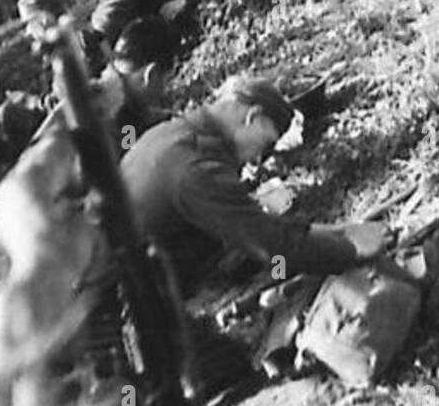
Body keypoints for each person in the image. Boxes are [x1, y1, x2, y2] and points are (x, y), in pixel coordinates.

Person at [0, 9, 177, 406]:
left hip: (40, 220)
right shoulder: (103, 97)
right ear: (153, 74)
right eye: (165, 83)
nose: (165, 93)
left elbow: (131, 130)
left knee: (75, 339)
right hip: (39, 217)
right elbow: (79, 147)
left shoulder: (112, 99)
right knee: (40, 338)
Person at [121, 74, 390, 296]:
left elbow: (248, 220)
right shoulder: (196, 169)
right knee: (228, 361)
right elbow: (272, 245)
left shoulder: (170, 133)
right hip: (125, 304)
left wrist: (338, 230)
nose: (259, 159)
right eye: (265, 145)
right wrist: (351, 251)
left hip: (129, 272)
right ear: (252, 117)